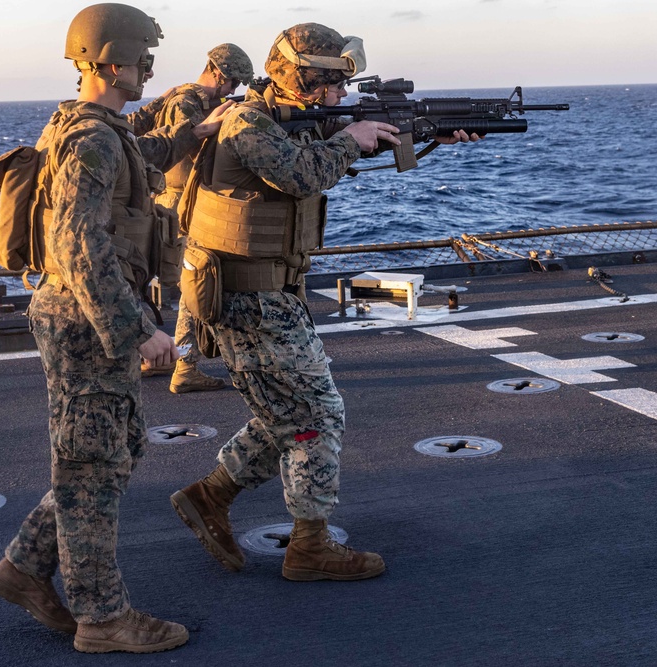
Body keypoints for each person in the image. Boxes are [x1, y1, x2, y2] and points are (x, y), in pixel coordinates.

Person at [169, 23, 481, 581]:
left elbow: (337, 161)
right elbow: (300, 174)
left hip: (267, 293)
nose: (338, 97)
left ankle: (209, 496)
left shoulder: (288, 120)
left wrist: (429, 137)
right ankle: (309, 547)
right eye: (327, 85)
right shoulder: (247, 122)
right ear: (296, 77)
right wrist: (350, 136)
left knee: (285, 415)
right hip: (249, 295)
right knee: (316, 414)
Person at [0, 3, 231, 654]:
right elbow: (78, 244)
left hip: (85, 309)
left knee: (112, 450)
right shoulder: (91, 137)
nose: (150, 69)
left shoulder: (94, 128)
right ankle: (102, 617)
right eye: (145, 58)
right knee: (91, 468)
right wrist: (136, 328)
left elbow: (143, 154)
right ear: (116, 59)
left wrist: (199, 130)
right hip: (86, 316)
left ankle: (23, 566)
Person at [129, 44, 255, 393]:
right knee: (196, 283)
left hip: (171, 201)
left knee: (166, 281)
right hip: (183, 204)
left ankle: (154, 357)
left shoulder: (184, 97)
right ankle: (185, 365)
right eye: (231, 82)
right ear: (216, 72)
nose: (232, 90)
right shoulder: (191, 102)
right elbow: (187, 142)